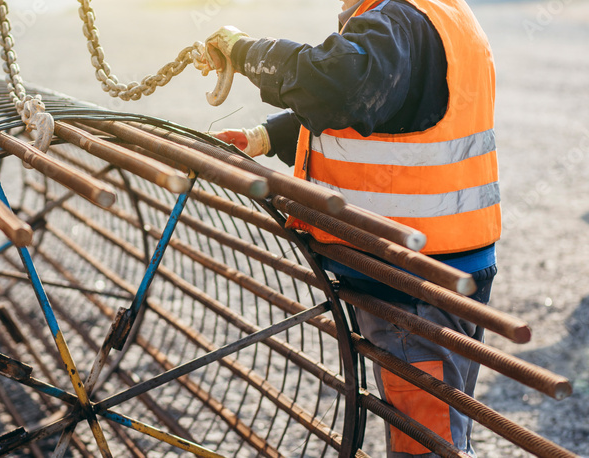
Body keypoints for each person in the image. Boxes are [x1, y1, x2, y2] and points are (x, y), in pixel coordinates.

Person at [202, 0, 500, 456]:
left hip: (414, 286)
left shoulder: (398, 18)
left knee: (425, 445)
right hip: (439, 266)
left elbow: (337, 84)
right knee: (440, 428)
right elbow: (385, 111)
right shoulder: (433, 14)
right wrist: (266, 137)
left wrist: (243, 51)